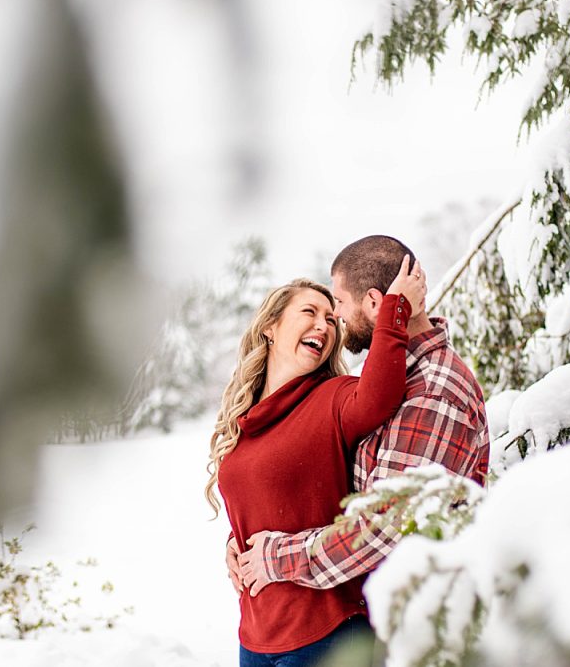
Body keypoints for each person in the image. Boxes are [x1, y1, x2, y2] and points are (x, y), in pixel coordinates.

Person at [233, 235, 489, 604]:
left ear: (372, 302)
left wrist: (275, 558)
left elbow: (385, 528)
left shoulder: (433, 391)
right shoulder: (399, 377)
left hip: (420, 619)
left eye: (338, 303)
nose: (334, 318)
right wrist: (243, 537)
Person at [206, 257, 427, 667]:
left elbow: (379, 395)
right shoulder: (246, 418)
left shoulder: (335, 397)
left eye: (330, 318)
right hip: (255, 638)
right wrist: (235, 543)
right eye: (309, 312)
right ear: (270, 327)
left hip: (327, 633)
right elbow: (261, 497)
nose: (324, 326)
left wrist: (394, 308)